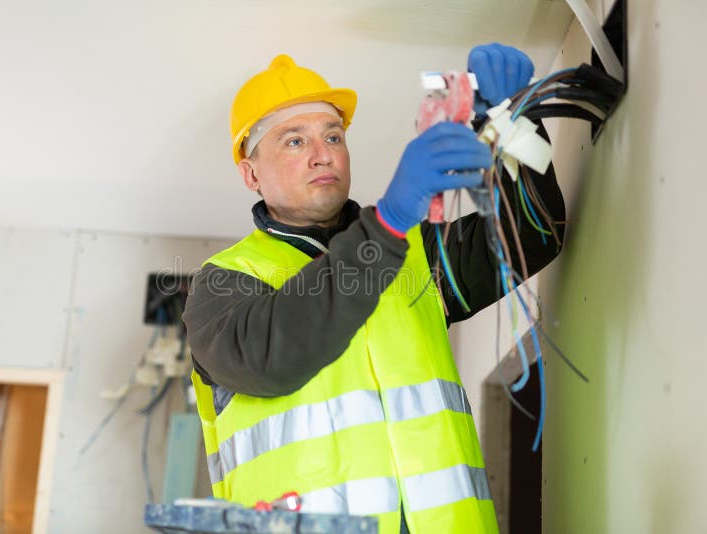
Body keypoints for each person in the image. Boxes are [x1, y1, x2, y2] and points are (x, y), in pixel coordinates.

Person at [182, 43, 565, 534]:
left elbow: (535, 231)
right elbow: (272, 357)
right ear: (251, 173)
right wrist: (388, 223)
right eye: (294, 141)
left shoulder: (419, 254)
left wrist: (516, 120)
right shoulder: (223, 282)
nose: (323, 154)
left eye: (333, 136)